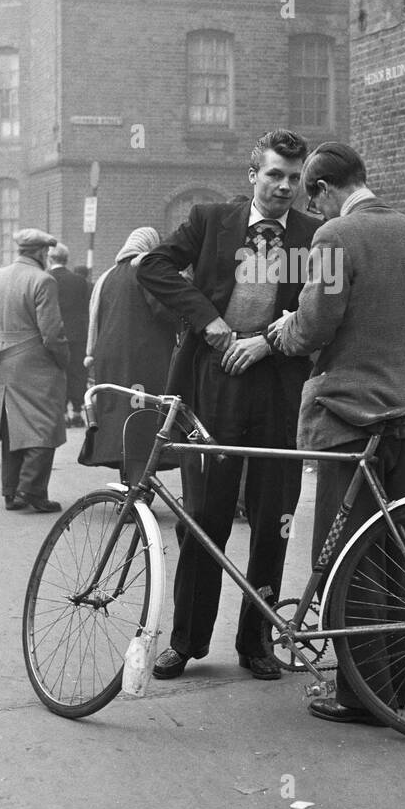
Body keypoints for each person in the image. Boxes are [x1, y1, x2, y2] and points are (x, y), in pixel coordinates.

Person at [268, 141, 405, 725]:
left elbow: (317, 323)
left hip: (352, 419)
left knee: (349, 556)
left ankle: (361, 693)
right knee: (403, 552)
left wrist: (278, 334)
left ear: (321, 188)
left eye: (310, 195)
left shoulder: (335, 238)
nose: (311, 208)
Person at [137, 129, 318, 682]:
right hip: (213, 386)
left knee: (273, 518)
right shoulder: (211, 220)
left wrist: (266, 340)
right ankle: (186, 641)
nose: (284, 187)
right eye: (274, 176)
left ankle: (257, 639)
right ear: (252, 176)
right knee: (204, 516)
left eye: (294, 178)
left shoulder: (316, 236)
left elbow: (319, 308)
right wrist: (211, 325)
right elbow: (153, 267)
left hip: (278, 388)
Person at [80, 228, 182, 481]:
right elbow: (165, 312)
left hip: (109, 359)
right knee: (143, 422)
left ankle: (129, 481)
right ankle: (138, 487)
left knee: (120, 418)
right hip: (144, 357)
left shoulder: (107, 276)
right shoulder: (146, 270)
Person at [0, 228, 70, 512]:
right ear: (42, 253)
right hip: (37, 363)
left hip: (4, 362)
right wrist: (64, 360)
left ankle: (11, 491)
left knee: (11, 426)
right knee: (44, 425)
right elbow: (52, 333)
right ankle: (31, 490)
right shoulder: (43, 280)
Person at [48, 243, 91, 428]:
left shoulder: (45, 279)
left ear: (50, 258)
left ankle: (62, 412)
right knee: (78, 373)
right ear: (67, 259)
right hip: (78, 335)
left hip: (56, 334)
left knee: (59, 372)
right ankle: (76, 411)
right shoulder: (80, 281)